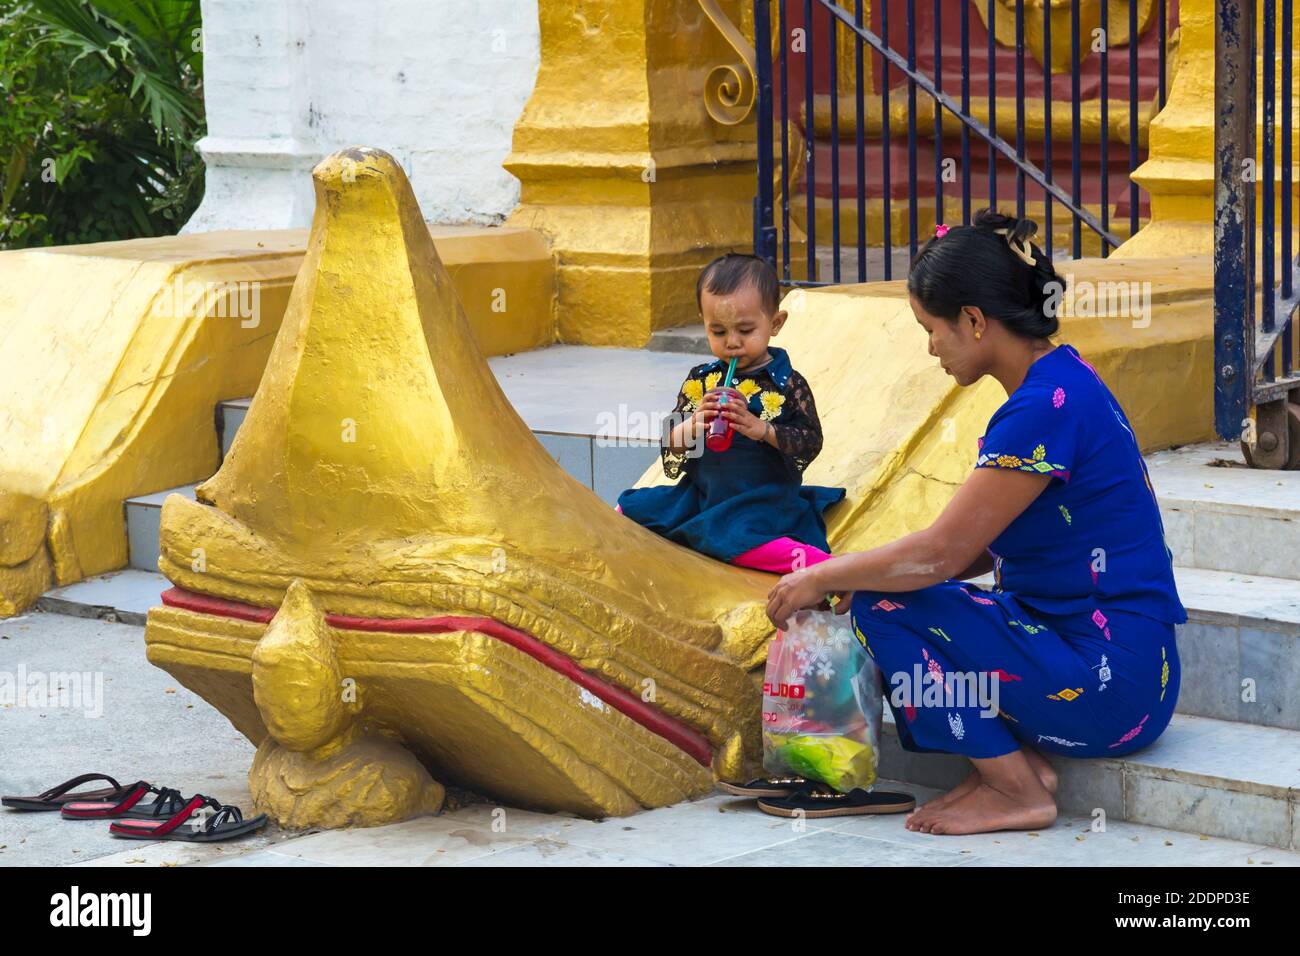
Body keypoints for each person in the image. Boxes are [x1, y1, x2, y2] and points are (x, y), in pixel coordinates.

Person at [764, 210, 1185, 835]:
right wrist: (855, 574)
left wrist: (824, 575)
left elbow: (938, 554)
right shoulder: (1063, 379)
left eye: (931, 329)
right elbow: (975, 551)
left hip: (1109, 683)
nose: (930, 346)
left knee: (881, 605)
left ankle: (1014, 787)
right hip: (1119, 670)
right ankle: (1018, 770)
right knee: (891, 589)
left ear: (975, 321)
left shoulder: (1042, 410)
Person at [617, 253, 845, 576]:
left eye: (746, 330)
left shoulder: (787, 383)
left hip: (759, 501)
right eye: (719, 332)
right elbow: (671, 441)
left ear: (775, 323)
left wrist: (761, 429)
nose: (733, 343)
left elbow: (810, 441)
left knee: (738, 537)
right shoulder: (702, 379)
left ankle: (822, 567)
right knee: (629, 506)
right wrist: (695, 423)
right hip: (702, 495)